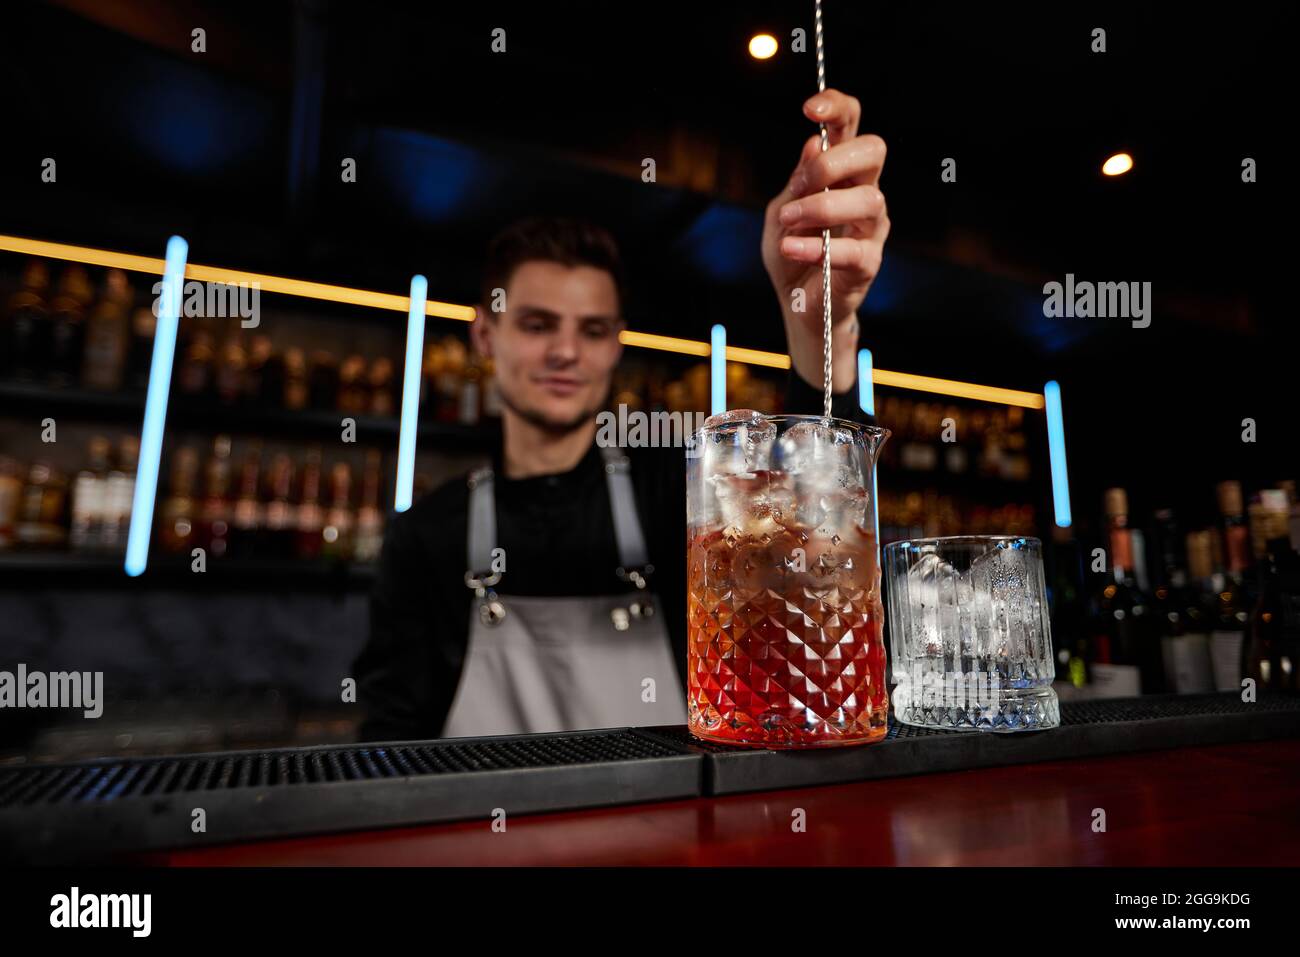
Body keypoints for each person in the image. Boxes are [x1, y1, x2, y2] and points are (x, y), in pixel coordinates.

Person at [353, 89, 890, 740]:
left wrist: (822, 329)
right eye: (536, 323)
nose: (565, 351)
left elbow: (814, 535)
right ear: (485, 335)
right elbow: (389, 749)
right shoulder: (426, 538)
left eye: (592, 328)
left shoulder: (682, 500)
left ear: (616, 345)